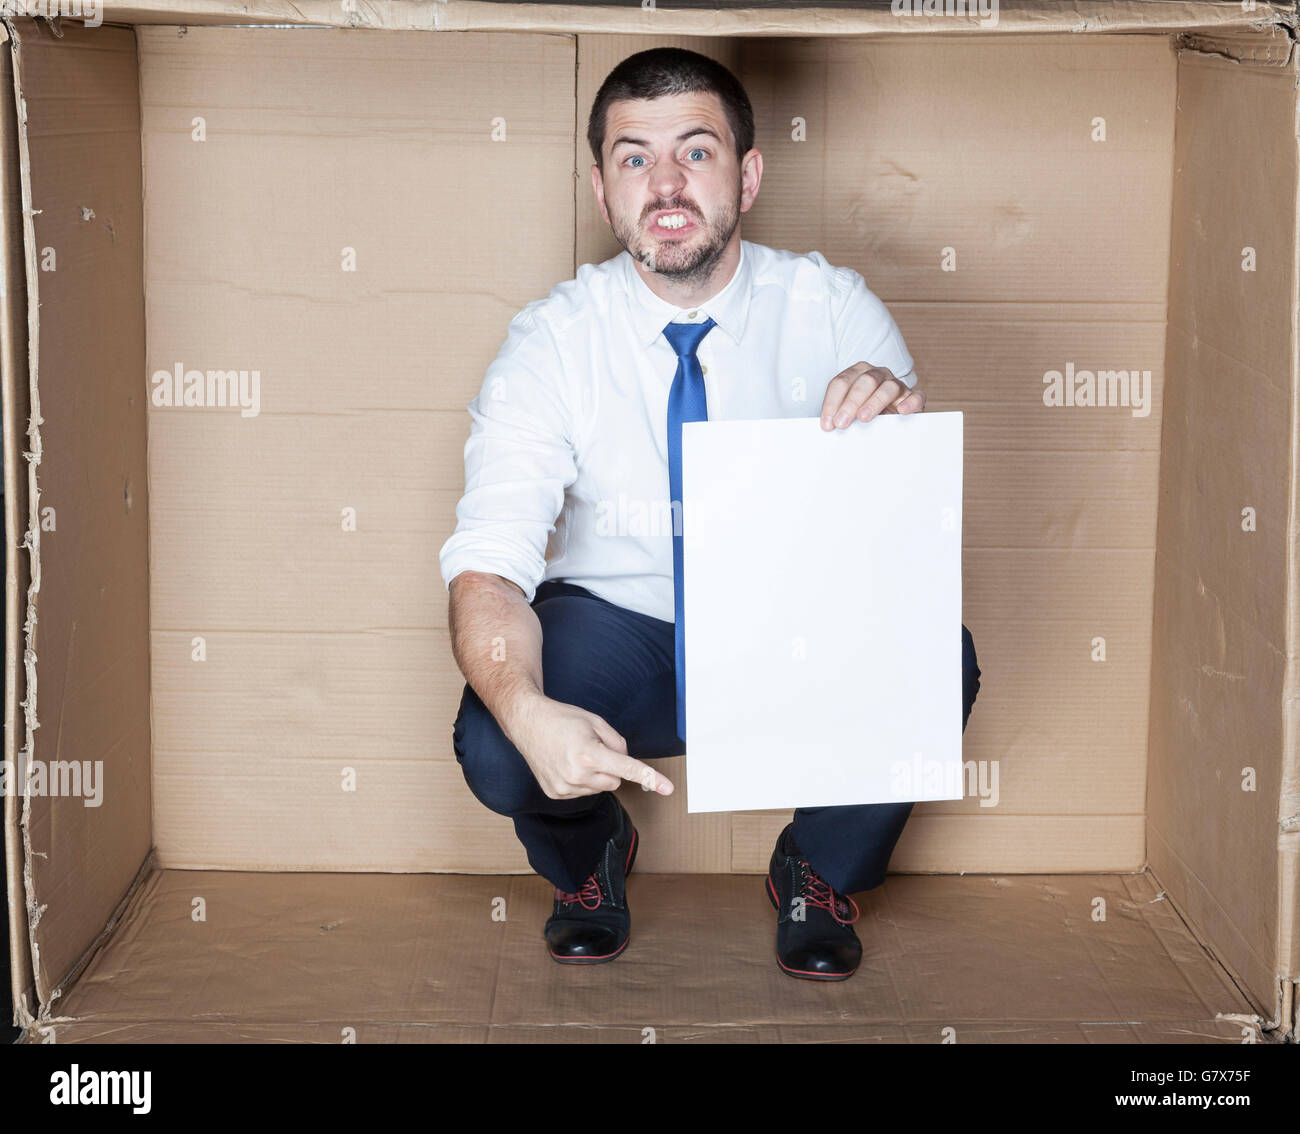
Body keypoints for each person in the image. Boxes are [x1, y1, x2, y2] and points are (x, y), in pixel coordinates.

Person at [441, 46, 981, 981]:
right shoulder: (551, 342)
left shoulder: (834, 308)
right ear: (604, 192)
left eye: (696, 151)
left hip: (788, 626)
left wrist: (889, 423)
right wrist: (529, 713)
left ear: (749, 174)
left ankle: (815, 868)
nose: (665, 184)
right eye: (634, 157)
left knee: (941, 657)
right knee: (495, 738)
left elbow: (899, 558)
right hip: (619, 632)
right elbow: (489, 564)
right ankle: (589, 854)